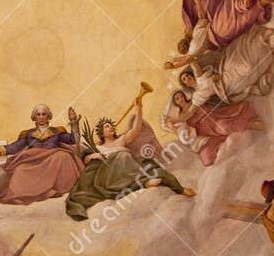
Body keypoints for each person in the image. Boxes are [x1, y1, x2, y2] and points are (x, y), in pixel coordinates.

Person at [64, 91, 193, 221]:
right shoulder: (98, 147)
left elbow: (136, 129)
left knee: (157, 171)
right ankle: (143, 182)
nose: (111, 127)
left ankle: (179, 189)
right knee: (122, 156)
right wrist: (94, 156)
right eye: (107, 126)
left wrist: (139, 109)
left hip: (129, 171)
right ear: (101, 132)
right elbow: (85, 160)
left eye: (111, 125)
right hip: (111, 177)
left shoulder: (121, 140)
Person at [0, 105, 84, 204]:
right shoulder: (28, 133)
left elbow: (73, 140)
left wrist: (74, 122)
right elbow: (16, 146)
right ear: (35, 117)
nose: (41, 117)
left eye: (44, 114)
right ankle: (24, 195)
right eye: (38, 114)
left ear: (48, 116)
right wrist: (0, 150)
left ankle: (53, 190)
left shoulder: (57, 131)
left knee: (62, 156)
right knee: (20, 169)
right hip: (34, 160)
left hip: (52, 159)